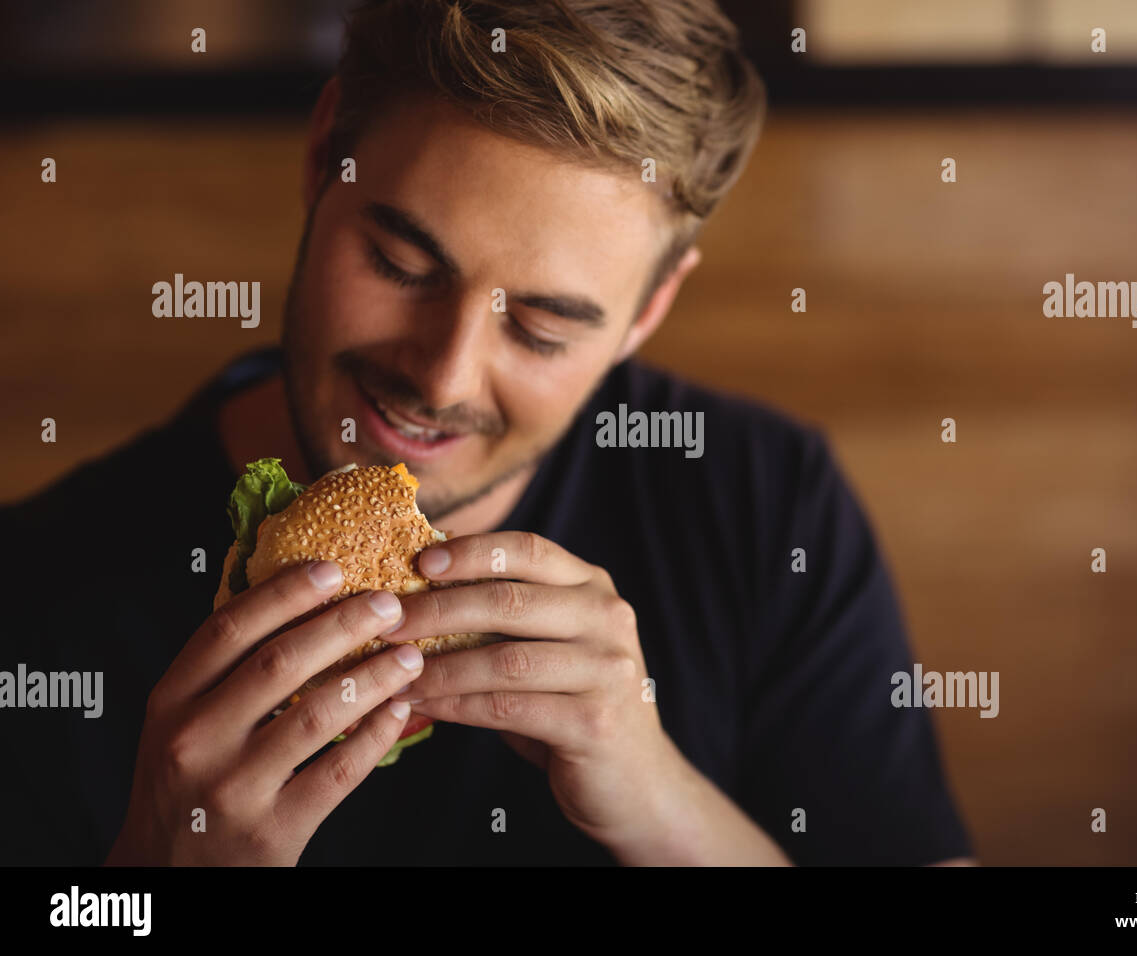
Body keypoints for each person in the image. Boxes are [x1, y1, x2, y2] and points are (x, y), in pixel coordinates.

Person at [0, 0, 972, 866]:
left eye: (540, 328)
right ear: (321, 154)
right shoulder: (37, 590)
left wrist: (662, 804)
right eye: (400, 262)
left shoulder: (766, 506)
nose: (441, 377)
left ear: (646, 311)